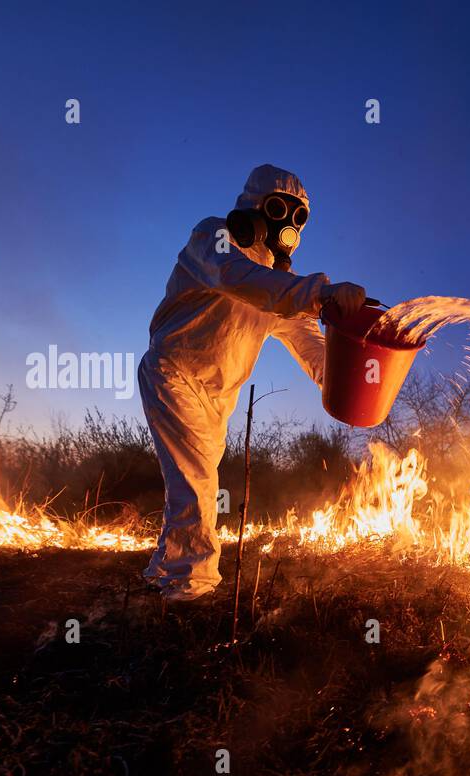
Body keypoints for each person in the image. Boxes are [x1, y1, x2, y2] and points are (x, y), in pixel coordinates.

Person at [138, 164, 365, 601]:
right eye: (280, 209)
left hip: (218, 394)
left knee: (192, 481)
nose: (289, 224)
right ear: (253, 206)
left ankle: (166, 568)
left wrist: (343, 383)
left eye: (299, 217)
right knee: (197, 483)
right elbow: (239, 279)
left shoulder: (277, 286)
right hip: (173, 372)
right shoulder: (214, 238)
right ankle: (189, 589)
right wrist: (320, 292)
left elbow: (307, 341)